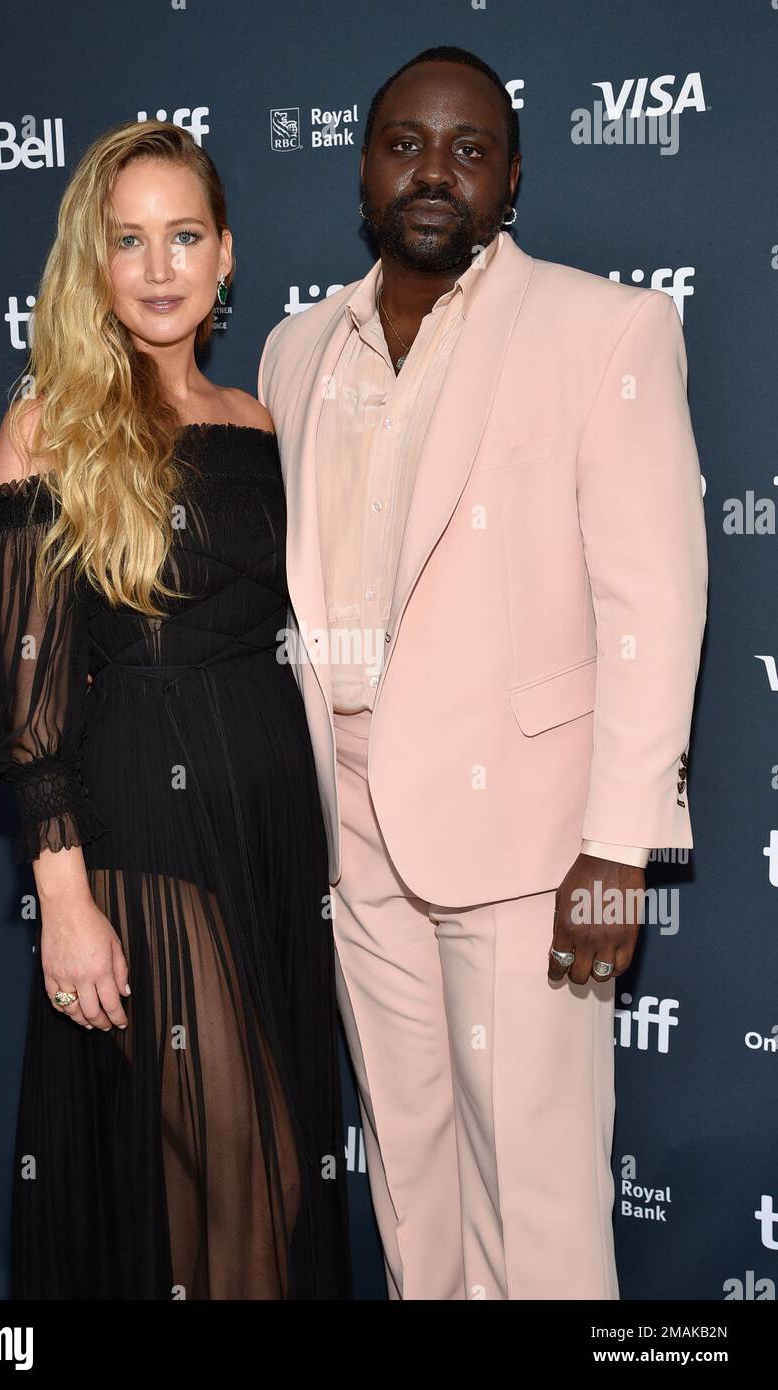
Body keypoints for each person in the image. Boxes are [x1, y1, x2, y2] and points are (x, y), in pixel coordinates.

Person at [258, 46, 708, 1299]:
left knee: (537, 1181)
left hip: (530, 829)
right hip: (350, 821)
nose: (433, 170)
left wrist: (616, 848)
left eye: (468, 148)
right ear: (362, 170)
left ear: (511, 179)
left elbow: (652, 603)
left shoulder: (600, 326)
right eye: (406, 142)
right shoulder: (298, 356)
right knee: (408, 1167)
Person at [0, 119, 351, 1300]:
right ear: (96, 263)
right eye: (129, 240)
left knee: (225, 1186)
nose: (160, 265)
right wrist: (63, 898)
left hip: (270, 821)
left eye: (184, 235)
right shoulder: (52, 429)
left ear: (227, 254)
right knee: (249, 1170)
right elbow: (23, 697)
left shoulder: (259, 424)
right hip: (143, 827)